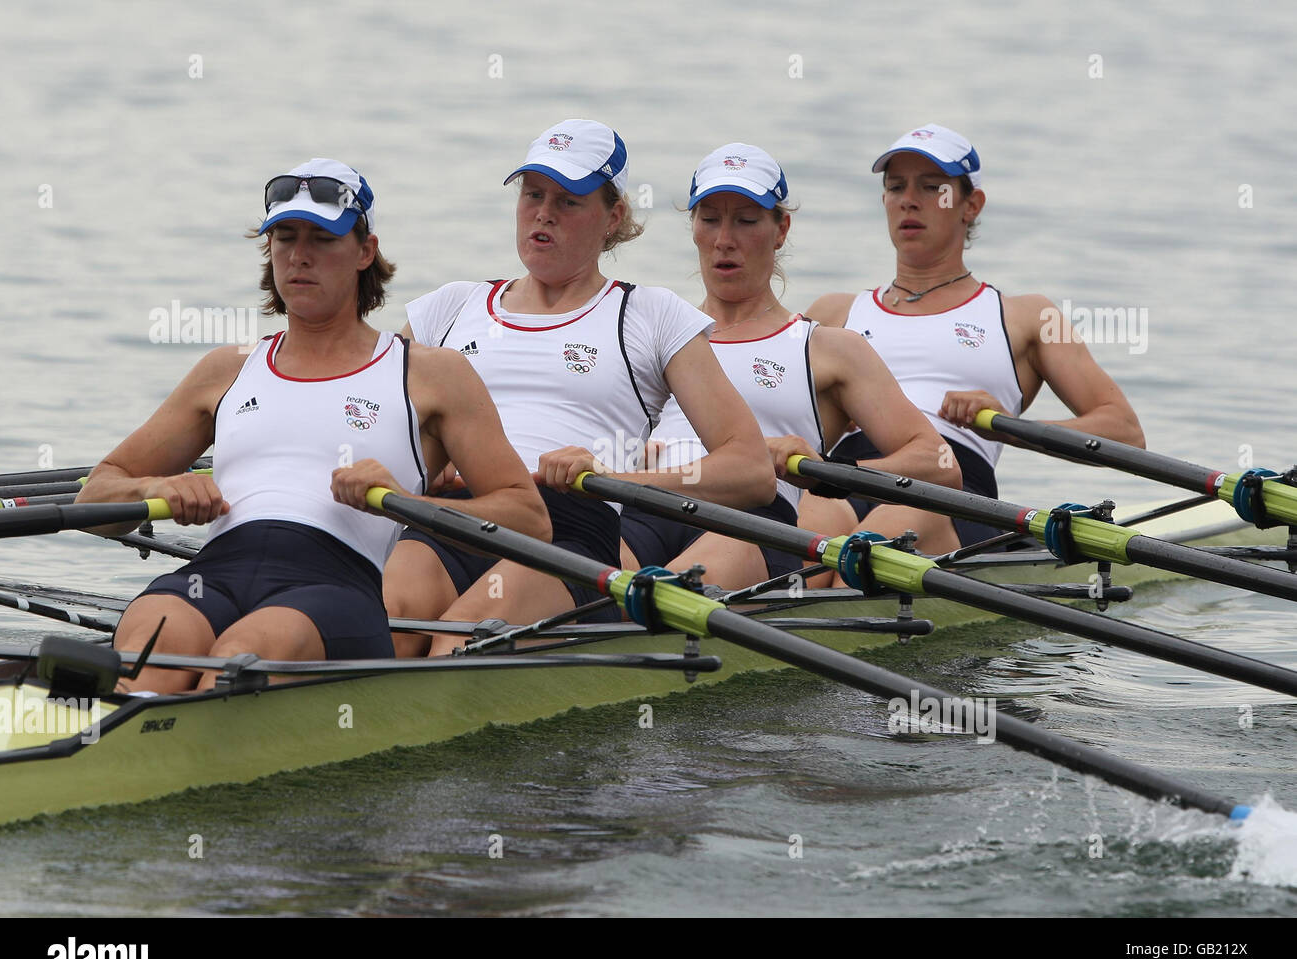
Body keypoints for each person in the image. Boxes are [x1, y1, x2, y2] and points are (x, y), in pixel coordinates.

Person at [79, 158, 548, 693]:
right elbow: (98, 498)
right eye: (285, 236)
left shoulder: (429, 373)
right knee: (148, 645)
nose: (299, 256)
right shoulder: (226, 368)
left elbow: (529, 519)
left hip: (335, 586)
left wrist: (406, 502)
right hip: (215, 572)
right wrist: (154, 486)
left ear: (364, 252)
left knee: (239, 659)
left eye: (323, 238)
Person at [392, 119, 774, 654]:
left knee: (456, 643)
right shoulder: (448, 307)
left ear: (613, 216)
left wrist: (614, 478)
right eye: (533, 194)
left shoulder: (651, 314)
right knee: (385, 627)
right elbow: (368, 419)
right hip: (455, 511)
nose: (543, 213)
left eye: (568, 201)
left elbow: (751, 470)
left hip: (567, 526)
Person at [618, 144, 959, 589]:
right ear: (694, 229)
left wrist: (831, 470)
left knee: (663, 593)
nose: (725, 239)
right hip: (645, 507)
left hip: (750, 521)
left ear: (781, 229)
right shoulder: (654, 335)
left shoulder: (827, 348)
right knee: (580, 587)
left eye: (745, 220)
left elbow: (941, 463)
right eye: (710, 219)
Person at [802, 124, 1145, 557]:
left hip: (952, 491)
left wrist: (1010, 425)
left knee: (881, 531)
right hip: (845, 476)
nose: (909, 199)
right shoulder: (833, 314)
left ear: (971, 205)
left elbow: (1126, 433)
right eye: (895, 187)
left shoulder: (1024, 316)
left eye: (932, 187)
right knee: (806, 520)